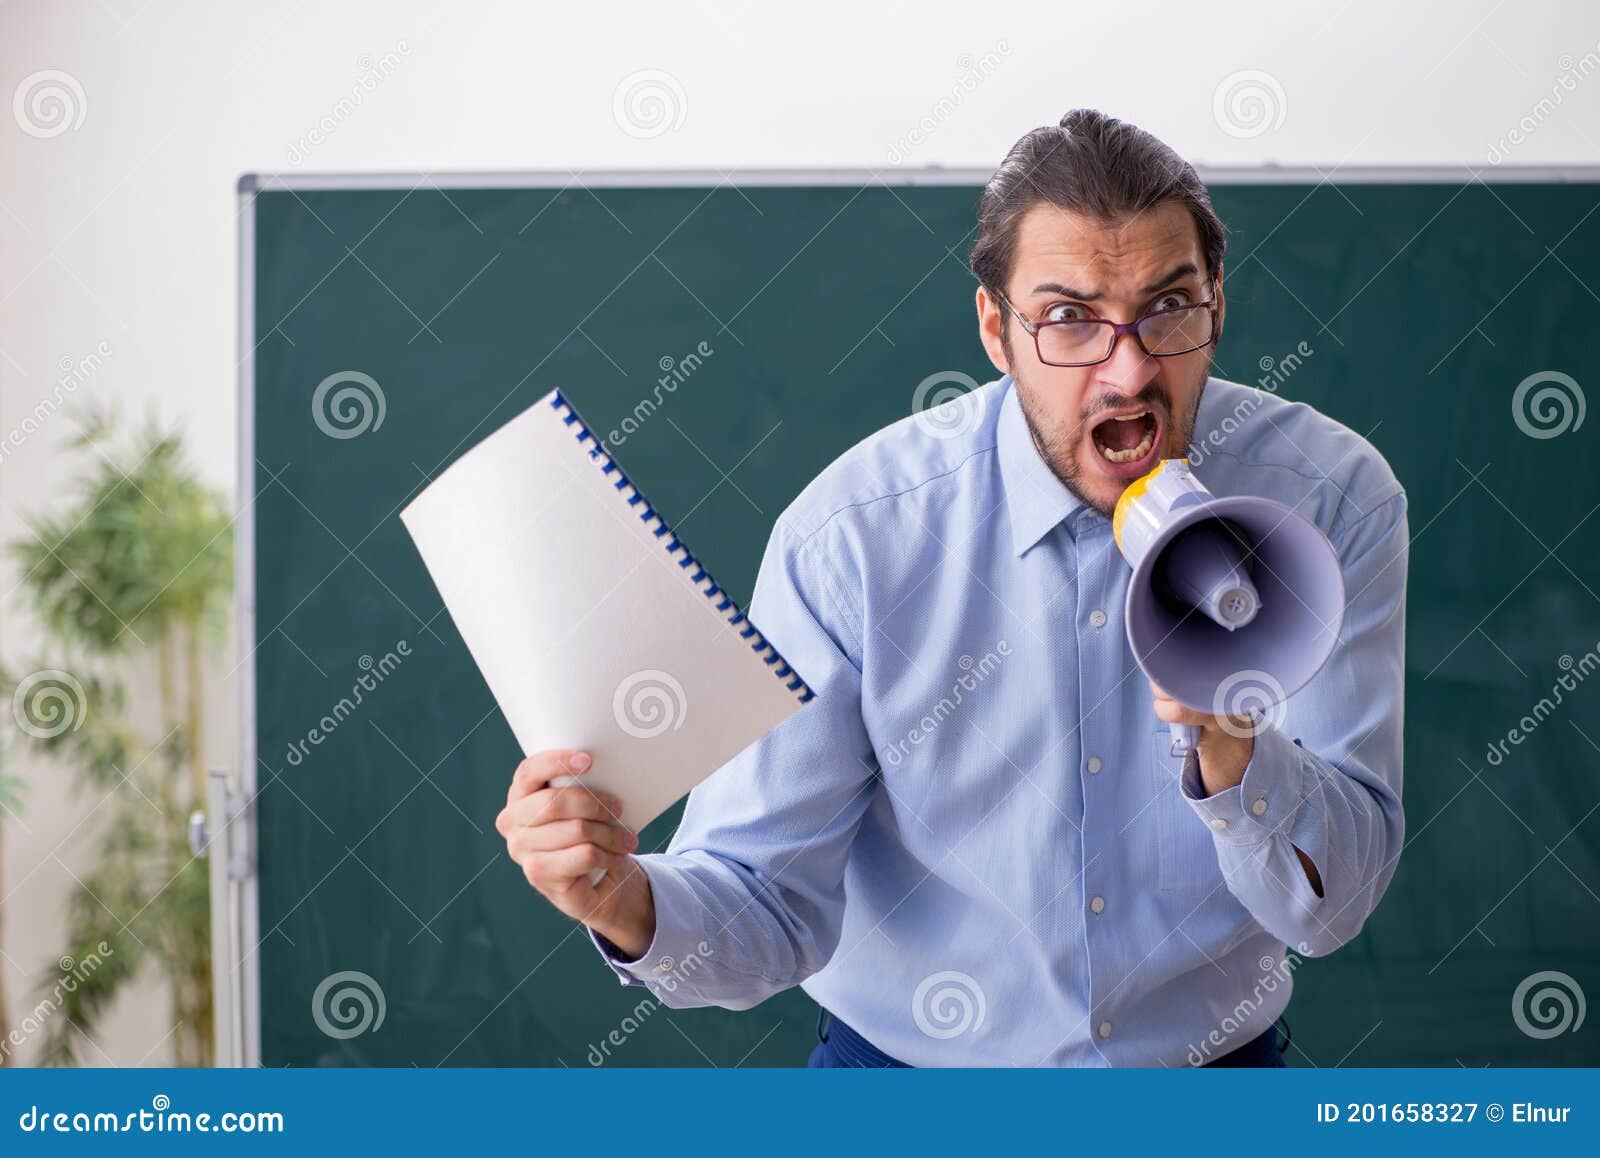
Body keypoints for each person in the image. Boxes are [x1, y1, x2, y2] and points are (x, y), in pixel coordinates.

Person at [494, 108, 1408, 1067]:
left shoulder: (1329, 501)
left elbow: (1332, 910)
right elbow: (766, 908)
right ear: (994, 329)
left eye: (1168, 307)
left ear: (1217, 305)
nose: (1128, 369)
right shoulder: (858, 538)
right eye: (1068, 319)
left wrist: (1236, 753)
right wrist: (620, 898)